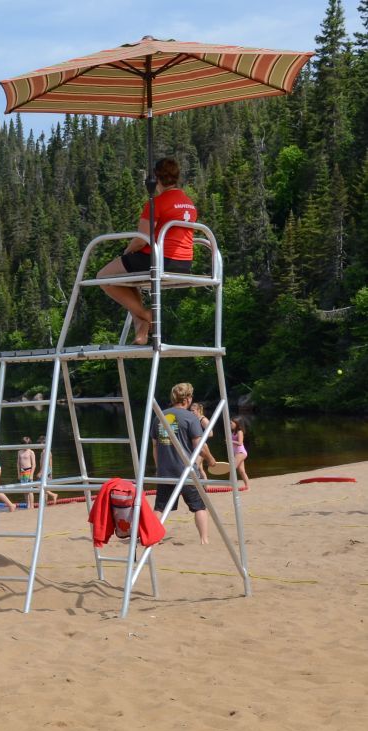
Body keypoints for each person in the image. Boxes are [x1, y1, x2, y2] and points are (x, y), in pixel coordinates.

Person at [95, 157, 198, 344]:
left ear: (155, 179)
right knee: (127, 278)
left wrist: (127, 251)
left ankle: (145, 315)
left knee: (104, 277)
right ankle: (141, 330)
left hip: (158, 259)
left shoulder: (156, 203)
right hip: (184, 263)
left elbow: (142, 239)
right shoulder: (189, 203)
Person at [152, 382, 220, 545]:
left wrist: (158, 467)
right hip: (186, 470)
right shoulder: (190, 417)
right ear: (188, 399)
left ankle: (152, 538)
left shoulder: (159, 417)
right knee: (199, 506)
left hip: (165, 470)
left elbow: (155, 446)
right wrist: (211, 460)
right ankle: (204, 540)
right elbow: (200, 446)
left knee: (160, 507)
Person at [230, 418, 250, 490]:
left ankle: (231, 485)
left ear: (236, 423)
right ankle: (247, 487)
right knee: (241, 471)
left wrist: (230, 441)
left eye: (231, 423)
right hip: (237, 453)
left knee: (232, 468)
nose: (230, 425)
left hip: (241, 452)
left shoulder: (239, 431)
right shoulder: (234, 432)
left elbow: (240, 443)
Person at [16, 437, 36, 508]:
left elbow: (34, 464)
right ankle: (28, 504)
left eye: (27, 444)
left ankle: (32, 505)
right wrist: (18, 473)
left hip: (29, 471)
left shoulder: (31, 452)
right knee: (24, 490)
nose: (26, 446)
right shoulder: (19, 452)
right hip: (22, 471)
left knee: (30, 489)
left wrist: (31, 475)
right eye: (24, 444)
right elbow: (18, 463)